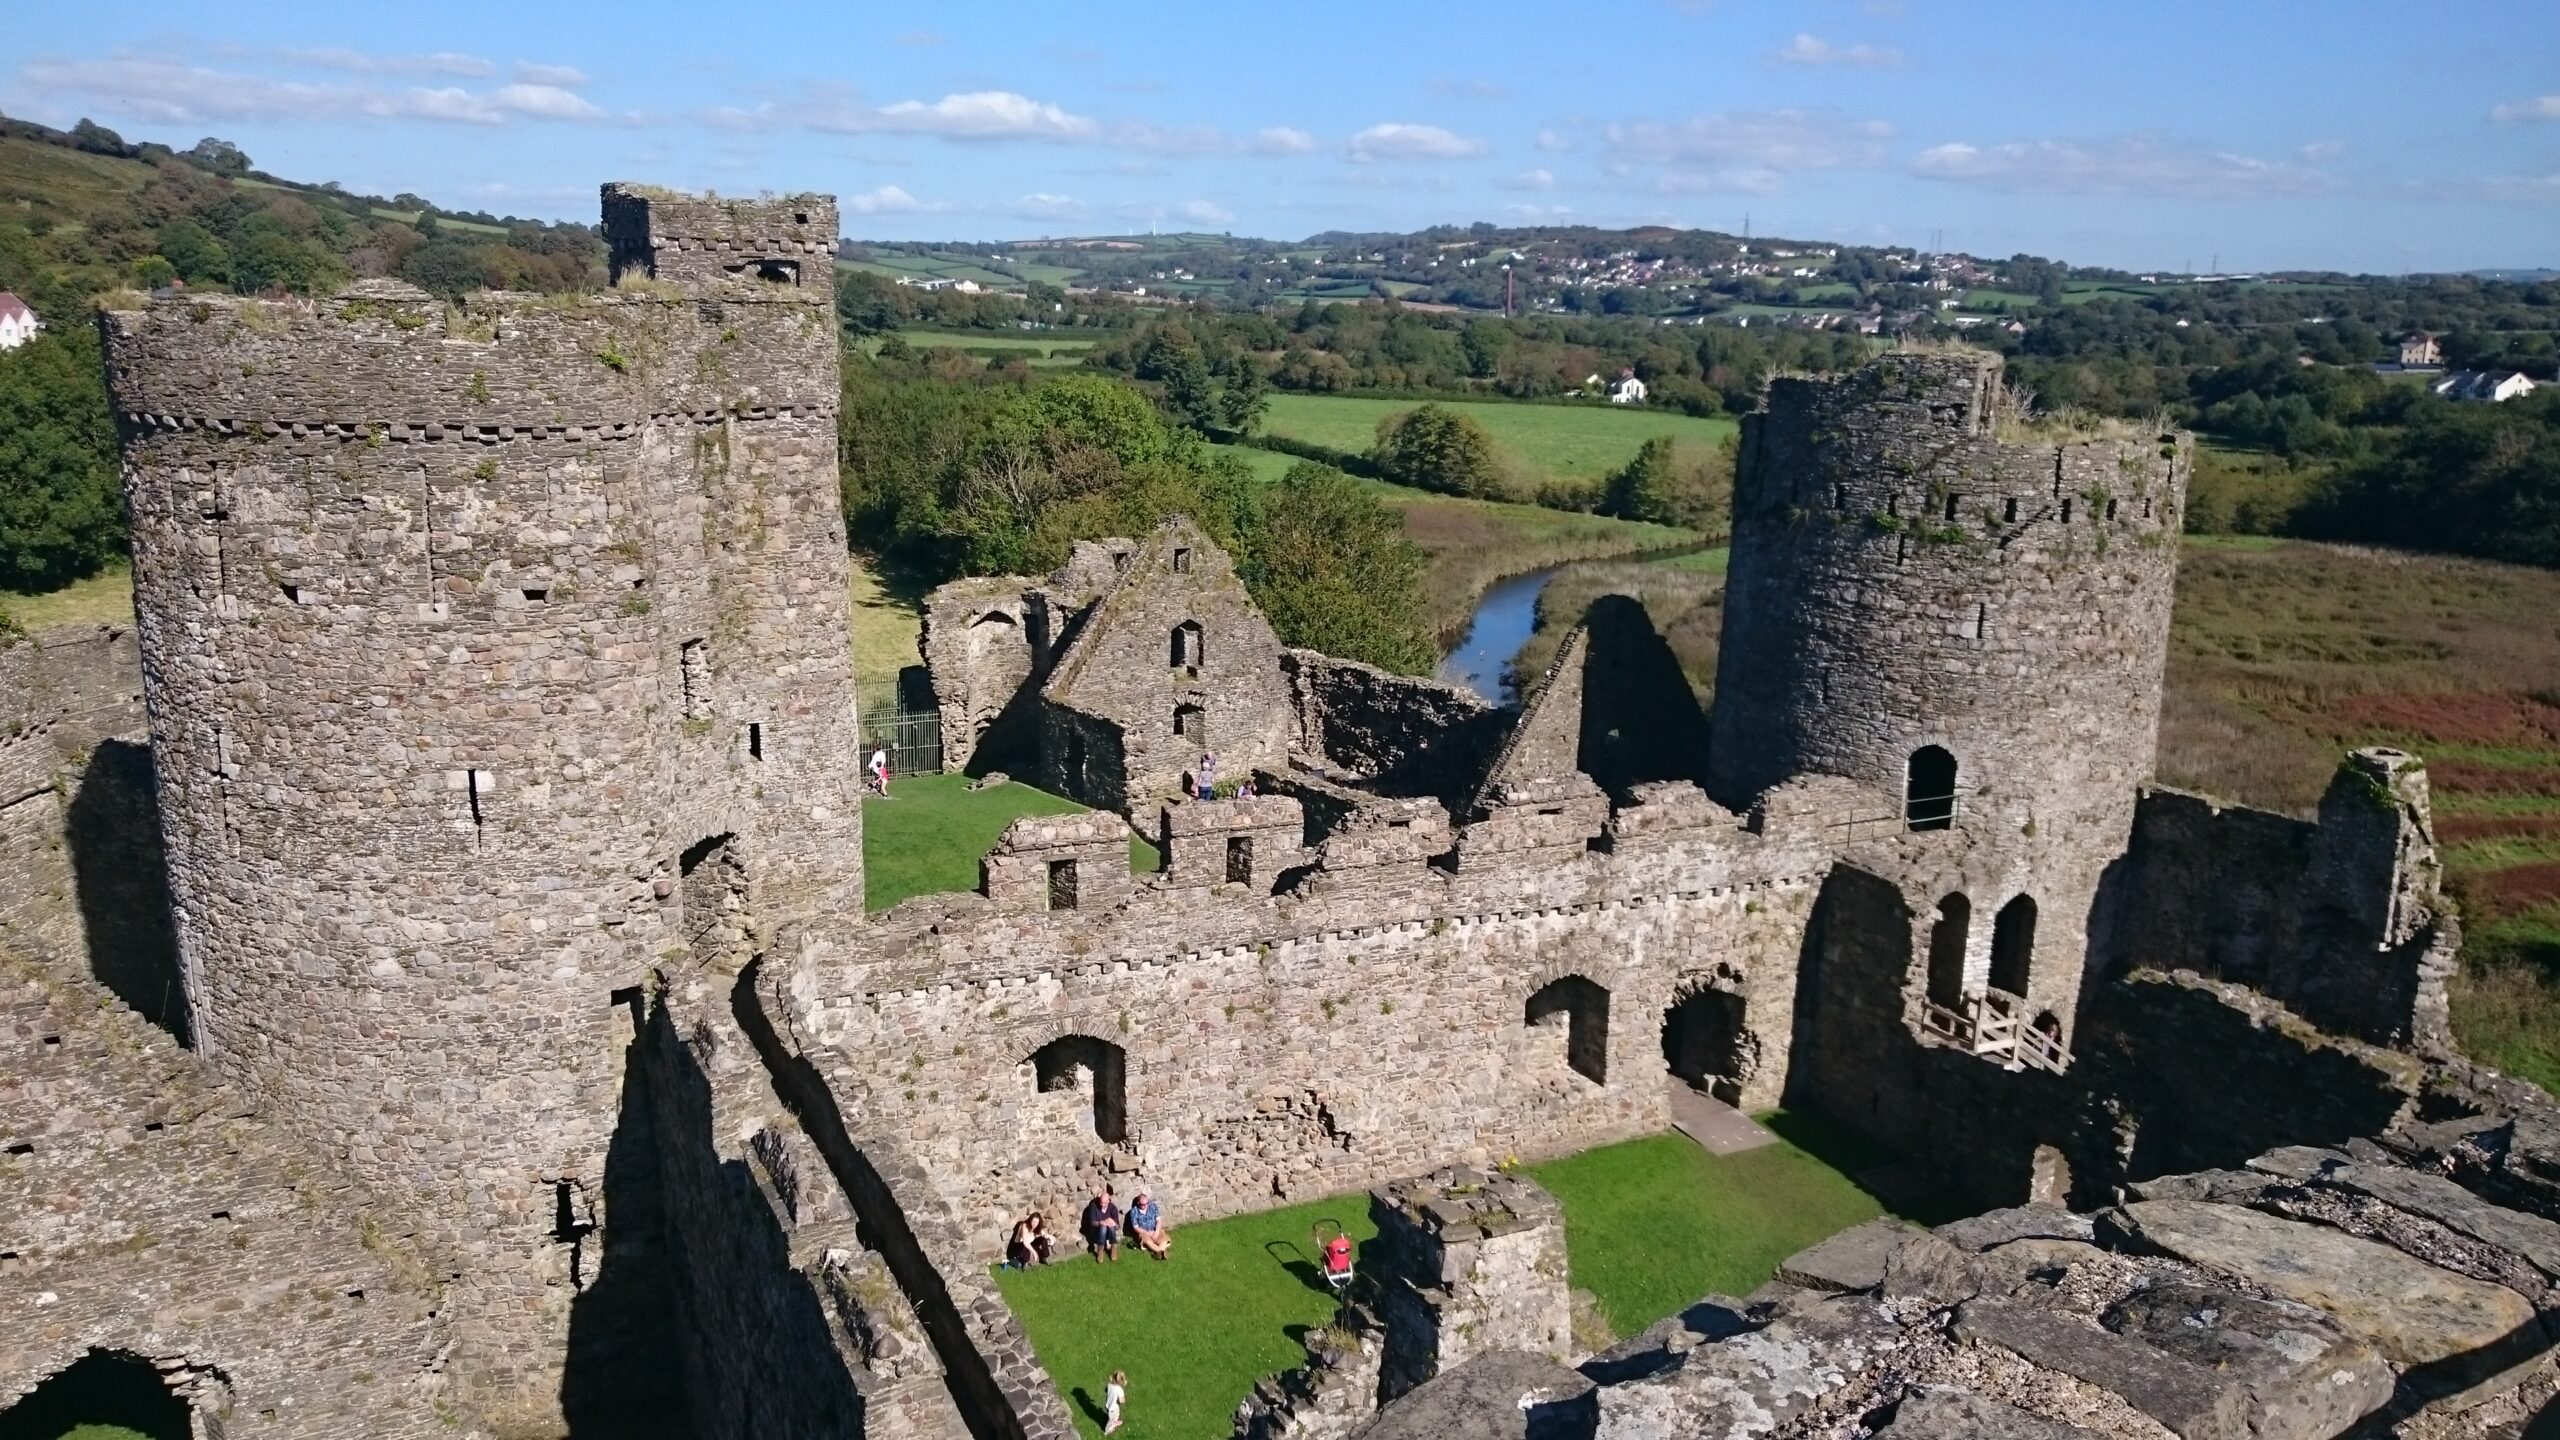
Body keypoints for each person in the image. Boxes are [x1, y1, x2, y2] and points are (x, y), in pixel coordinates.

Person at [1127, 1188, 1170, 1260]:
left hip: (1154, 1229)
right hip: (1143, 1232)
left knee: (1163, 1237)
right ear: (1138, 1203)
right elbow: (1136, 1227)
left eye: (1146, 1204)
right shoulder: (1134, 1211)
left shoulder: (1153, 1206)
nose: (1145, 1206)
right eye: (1142, 1204)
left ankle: (1158, 1252)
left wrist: (1156, 1231)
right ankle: (1161, 1251)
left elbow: (1158, 1220)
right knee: (1147, 1240)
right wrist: (1147, 1233)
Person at [1082, 1185, 1121, 1263]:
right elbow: (1092, 1223)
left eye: (1105, 1203)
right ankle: (1100, 1249)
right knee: (1103, 1226)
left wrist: (1114, 1224)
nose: (1102, 1205)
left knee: (1111, 1226)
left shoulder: (1113, 1208)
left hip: (1109, 1233)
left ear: (1109, 1201)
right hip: (1097, 1232)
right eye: (1101, 1202)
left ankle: (1113, 1247)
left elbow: (1117, 1226)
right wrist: (1101, 1222)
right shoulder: (1094, 1207)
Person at [1103, 1369, 1128, 1435]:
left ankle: (1114, 1420)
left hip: (1108, 1404)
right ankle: (1107, 1430)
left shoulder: (1109, 1385)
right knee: (1111, 1419)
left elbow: (1106, 1390)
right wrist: (1123, 1400)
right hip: (1113, 1408)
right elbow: (1121, 1400)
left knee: (1116, 1415)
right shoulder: (1120, 1390)